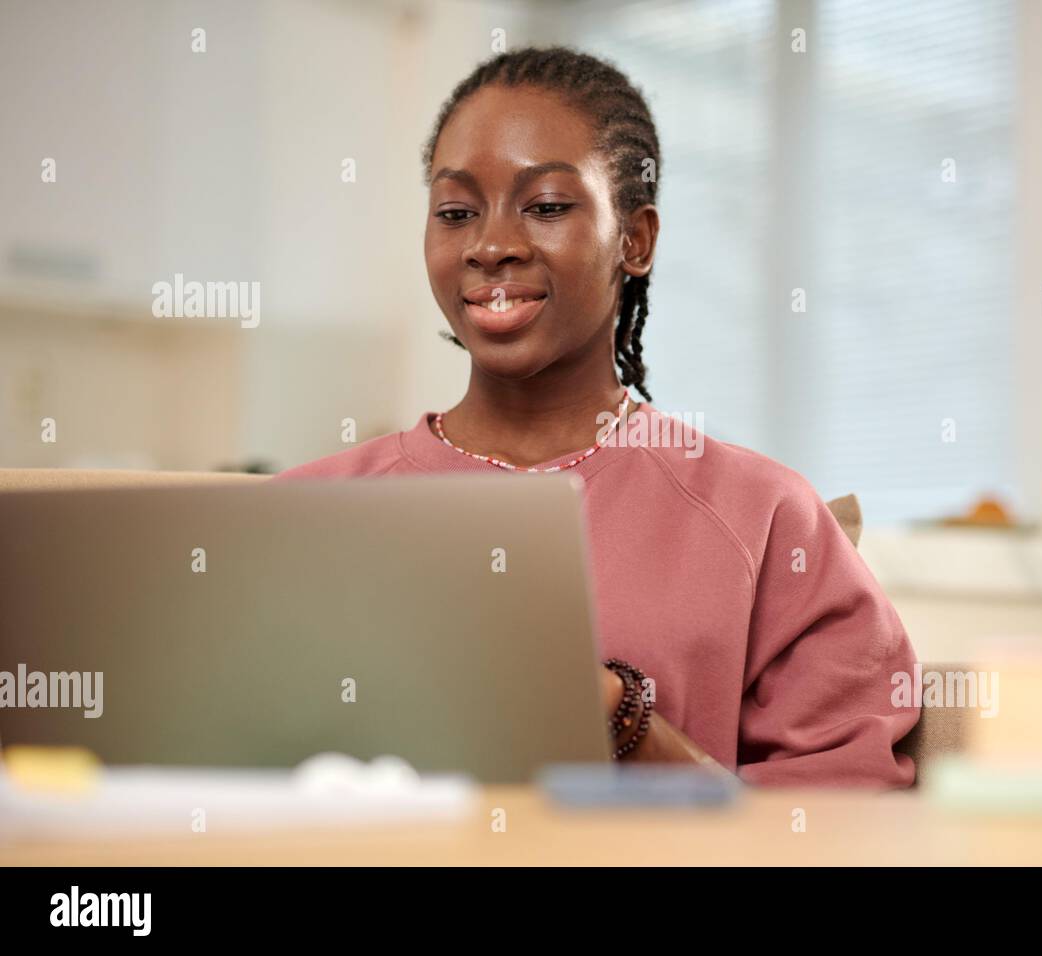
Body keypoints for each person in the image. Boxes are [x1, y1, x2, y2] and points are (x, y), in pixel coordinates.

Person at [273, 46, 919, 788]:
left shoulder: (766, 518)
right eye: (456, 213)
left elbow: (846, 817)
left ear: (635, 241)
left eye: (546, 206)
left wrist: (620, 720)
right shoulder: (305, 510)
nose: (490, 246)